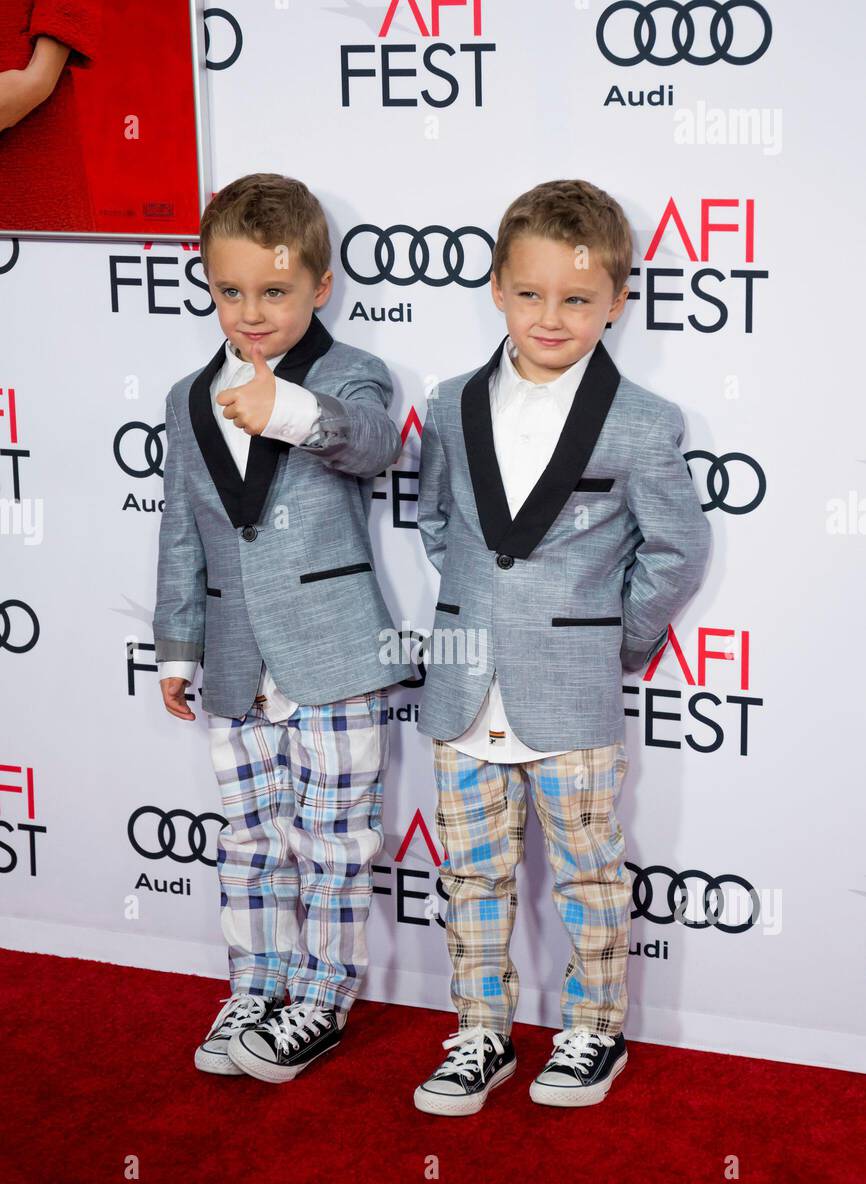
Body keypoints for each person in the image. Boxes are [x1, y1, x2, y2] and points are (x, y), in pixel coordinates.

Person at [413, 178, 712, 1116]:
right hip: (463, 690)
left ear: (616, 303)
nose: (552, 315)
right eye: (532, 293)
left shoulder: (642, 421)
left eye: (578, 298)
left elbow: (676, 549)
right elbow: (437, 526)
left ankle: (595, 1029)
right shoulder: (453, 402)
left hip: (573, 692)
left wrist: (608, 641)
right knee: (471, 873)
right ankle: (478, 1033)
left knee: (588, 871)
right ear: (497, 286)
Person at [153, 172, 411, 1084]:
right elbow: (182, 529)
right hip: (231, 661)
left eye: (275, 291)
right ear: (209, 284)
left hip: (335, 657)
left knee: (337, 843)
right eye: (230, 292)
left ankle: (322, 998)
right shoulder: (188, 398)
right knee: (251, 839)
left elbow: (377, 442)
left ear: (320, 286)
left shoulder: (346, 374)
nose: (250, 314)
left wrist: (291, 412)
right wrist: (179, 644)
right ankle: (256, 981)